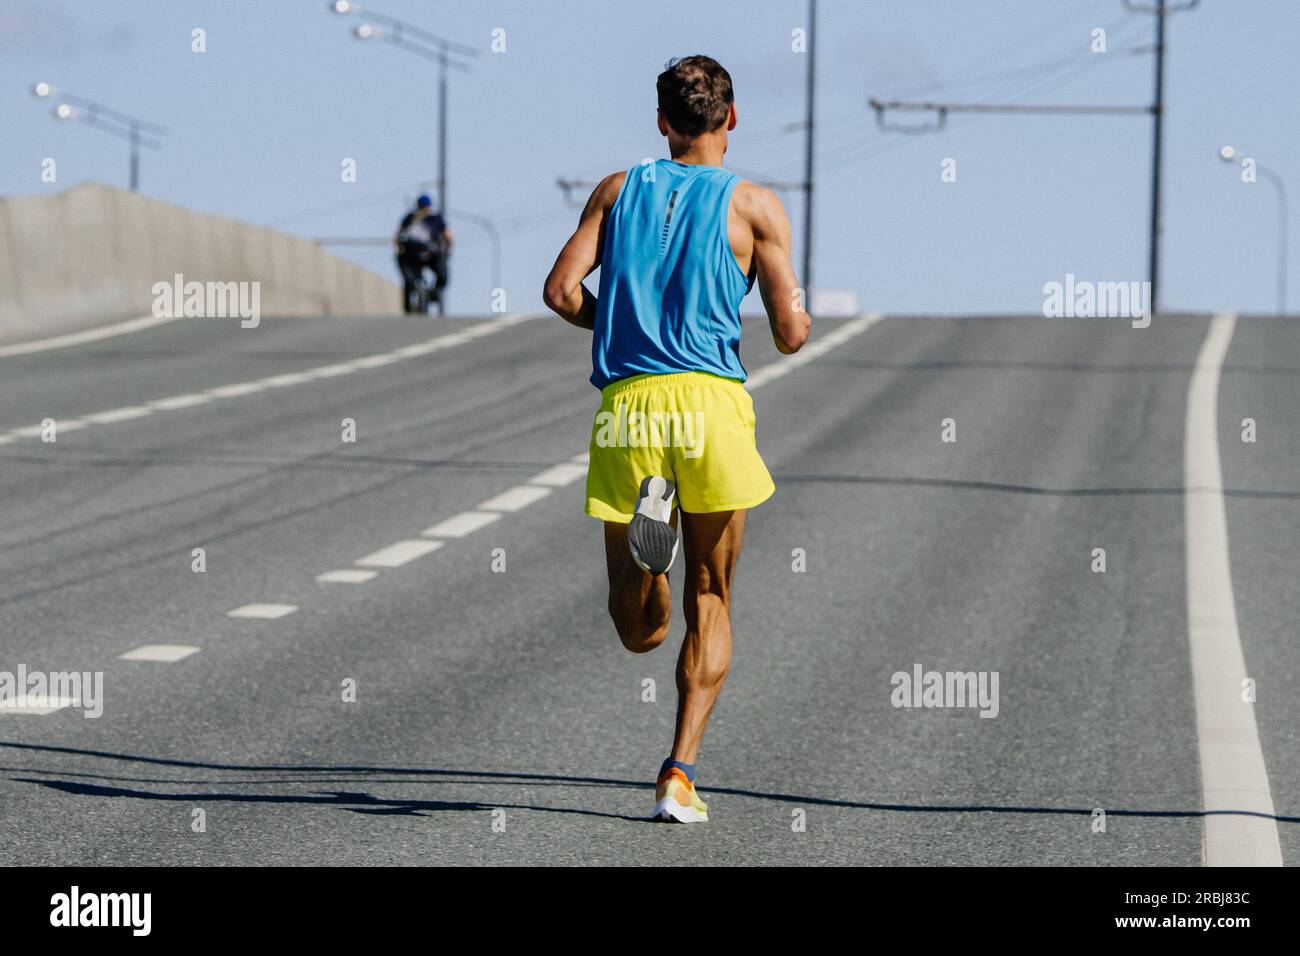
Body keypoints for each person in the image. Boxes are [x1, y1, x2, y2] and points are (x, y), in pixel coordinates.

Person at [542, 55, 808, 823]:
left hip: (628, 407)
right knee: (713, 596)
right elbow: (790, 334)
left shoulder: (618, 191)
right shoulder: (755, 206)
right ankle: (678, 776)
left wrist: (619, 323)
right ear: (732, 118)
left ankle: (645, 572)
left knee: (638, 630)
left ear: (662, 122)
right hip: (710, 406)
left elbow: (560, 291)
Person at [395, 194, 452, 314]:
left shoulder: (411, 218)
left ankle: (430, 295)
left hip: (416, 255)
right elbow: (449, 238)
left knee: (410, 281)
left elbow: (398, 237)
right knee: (414, 280)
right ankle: (431, 295)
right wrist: (447, 252)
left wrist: (399, 249)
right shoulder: (433, 219)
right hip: (420, 256)